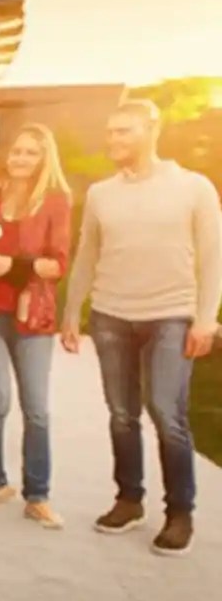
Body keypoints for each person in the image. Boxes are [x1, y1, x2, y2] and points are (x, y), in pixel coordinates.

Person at [61, 99, 222, 556]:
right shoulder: (100, 194)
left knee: (166, 412)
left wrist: (207, 318)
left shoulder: (194, 188)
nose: (113, 140)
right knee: (121, 414)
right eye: (110, 132)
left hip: (172, 313)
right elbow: (88, 254)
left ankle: (179, 512)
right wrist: (73, 312)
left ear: (153, 130)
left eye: (124, 131)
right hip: (112, 314)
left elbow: (213, 257)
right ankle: (129, 499)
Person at [0, 124, 71, 530]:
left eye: (31, 152)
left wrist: (13, 266)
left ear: (44, 159)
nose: (21, 158)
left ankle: (38, 495)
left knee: (37, 408)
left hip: (32, 317)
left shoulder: (55, 201)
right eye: (17, 151)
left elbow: (58, 264)